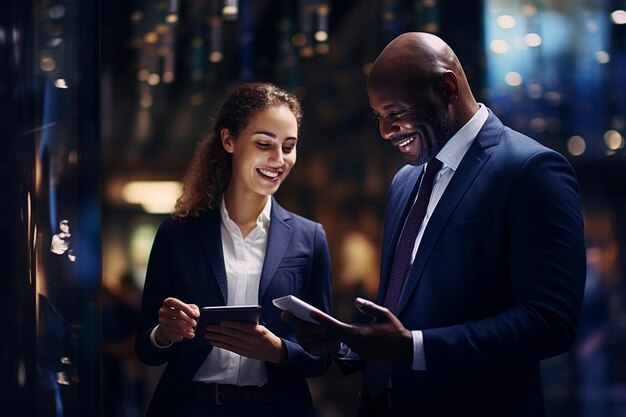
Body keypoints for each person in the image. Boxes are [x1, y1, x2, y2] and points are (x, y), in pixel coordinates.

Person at [288, 32, 586, 417]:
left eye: (395, 112)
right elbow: (401, 303)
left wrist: (414, 347)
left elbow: (549, 321)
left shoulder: (530, 170)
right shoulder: (404, 182)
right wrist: (348, 341)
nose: (385, 130)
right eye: (380, 117)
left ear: (447, 87)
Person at [135, 82, 333, 417]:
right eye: (263, 144)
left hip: (275, 409)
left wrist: (278, 351)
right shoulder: (178, 234)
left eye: (289, 146)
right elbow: (146, 348)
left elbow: (323, 356)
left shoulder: (309, 238)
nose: (279, 159)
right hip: (190, 407)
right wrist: (163, 333)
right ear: (229, 141)